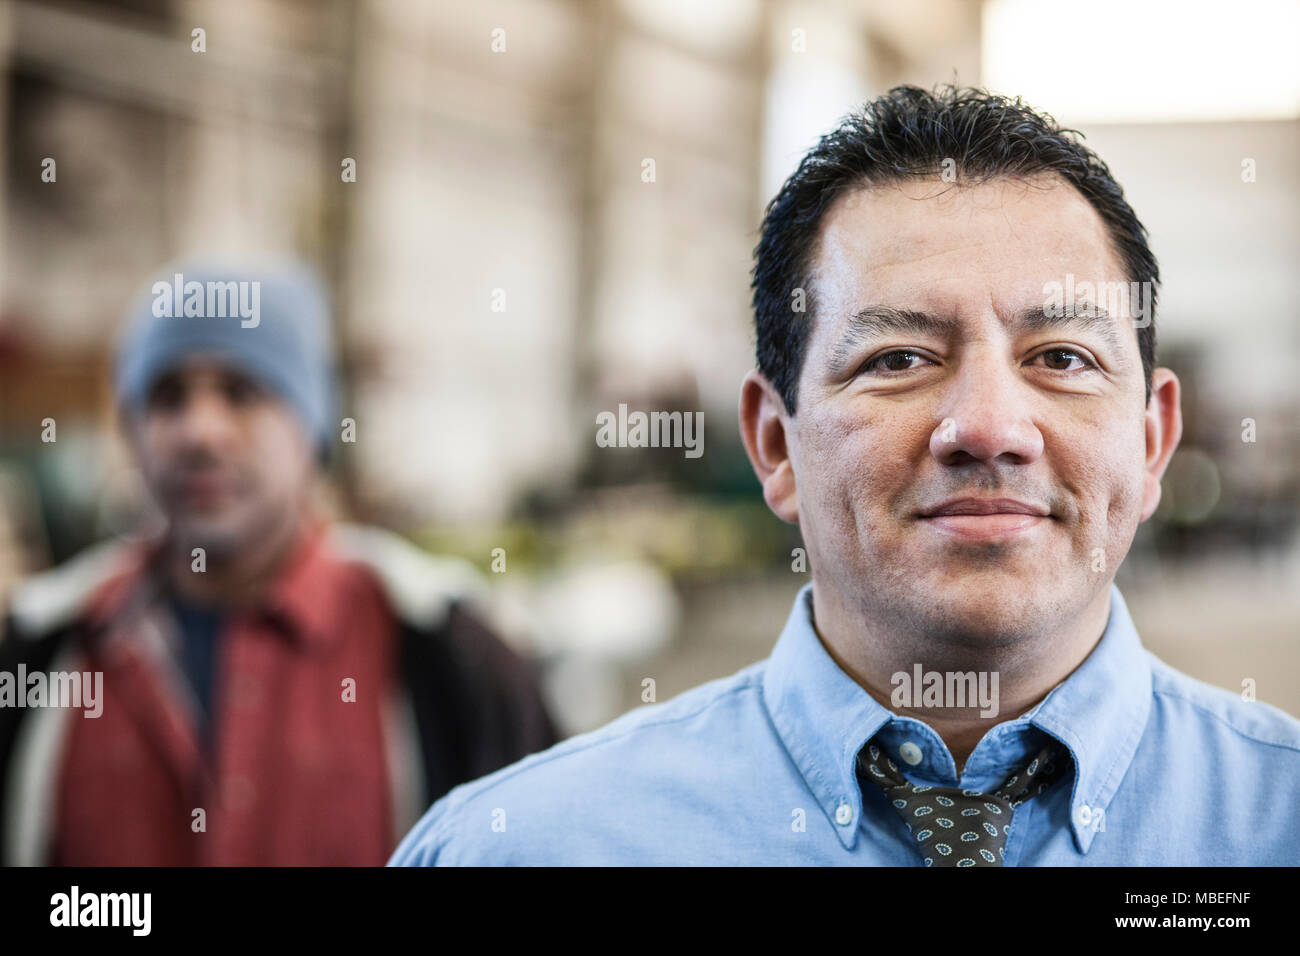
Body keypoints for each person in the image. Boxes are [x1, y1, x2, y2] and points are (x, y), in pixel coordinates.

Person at [389, 85, 1300, 866]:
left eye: (1061, 357)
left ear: (1152, 441)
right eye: (899, 358)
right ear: (775, 445)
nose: (987, 427)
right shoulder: (529, 849)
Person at [0, 259, 558, 865]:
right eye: (168, 397)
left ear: (311, 427)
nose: (201, 431)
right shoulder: (41, 644)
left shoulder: (447, 652)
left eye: (242, 392)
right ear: (131, 430)